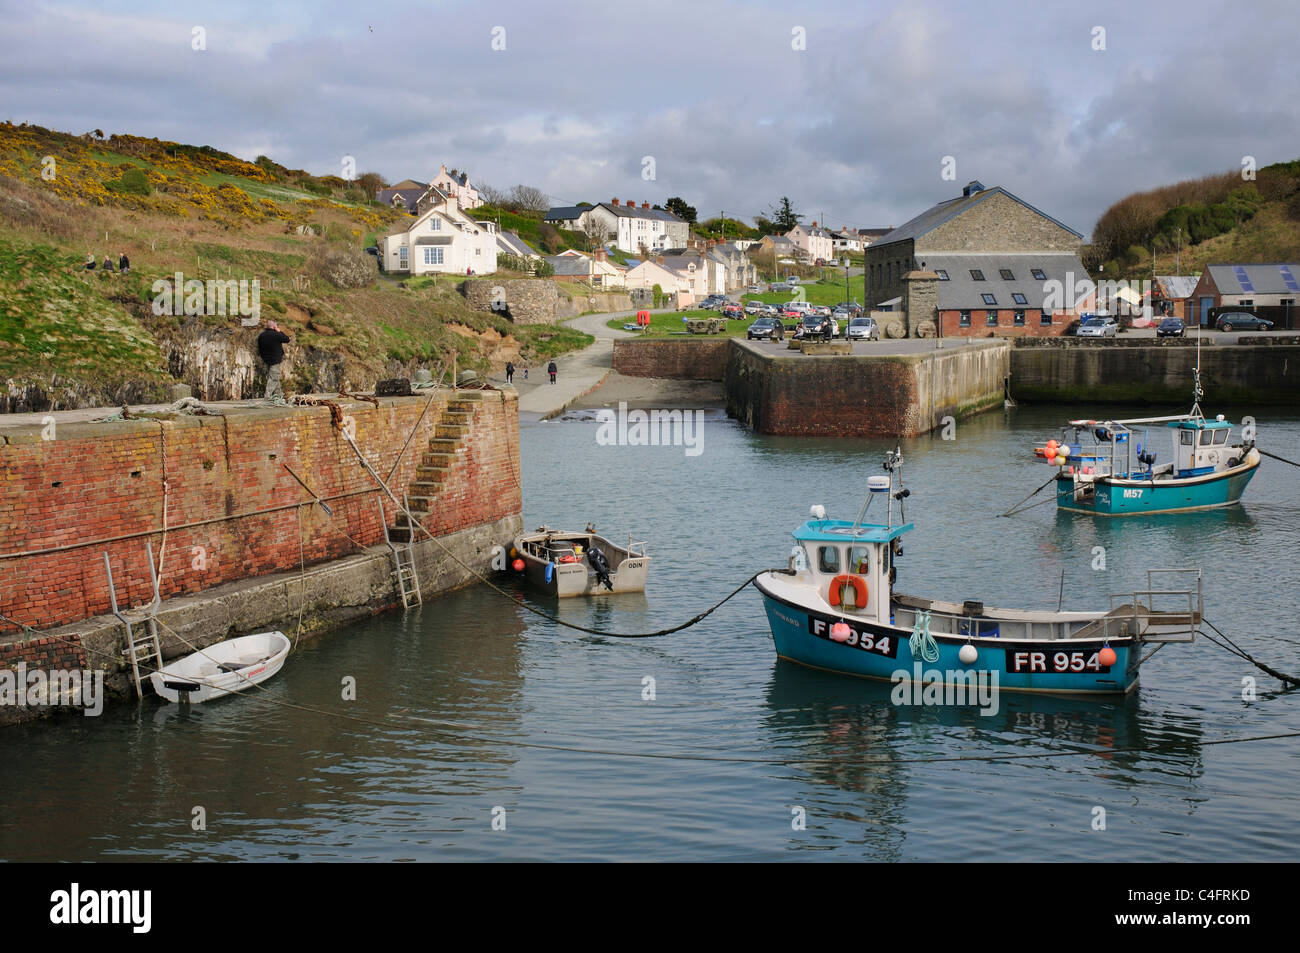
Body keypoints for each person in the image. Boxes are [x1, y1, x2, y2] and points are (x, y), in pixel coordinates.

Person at [258, 320, 291, 401]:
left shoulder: (262, 335)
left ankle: (279, 395)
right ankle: (267, 396)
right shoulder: (277, 335)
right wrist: (279, 331)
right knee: (274, 379)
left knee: (274, 377)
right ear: (274, 326)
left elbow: (259, 348)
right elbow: (287, 339)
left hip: (266, 359)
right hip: (275, 360)